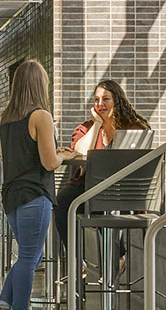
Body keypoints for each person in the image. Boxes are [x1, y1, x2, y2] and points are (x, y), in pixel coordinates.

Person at [0, 59, 59, 310]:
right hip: (34, 195)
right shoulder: (41, 116)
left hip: (13, 197)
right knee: (29, 259)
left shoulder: (7, 117)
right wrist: (64, 155)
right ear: (39, 84)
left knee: (29, 258)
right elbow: (49, 162)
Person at [52, 80, 150, 252]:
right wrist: (97, 124)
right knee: (62, 201)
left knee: (102, 207)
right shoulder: (86, 128)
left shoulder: (133, 128)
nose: (100, 104)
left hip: (124, 191)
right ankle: (78, 261)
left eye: (106, 99)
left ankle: (117, 259)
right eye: (96, 100)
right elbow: (80, 150)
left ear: (117, 101)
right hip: (90, 189)